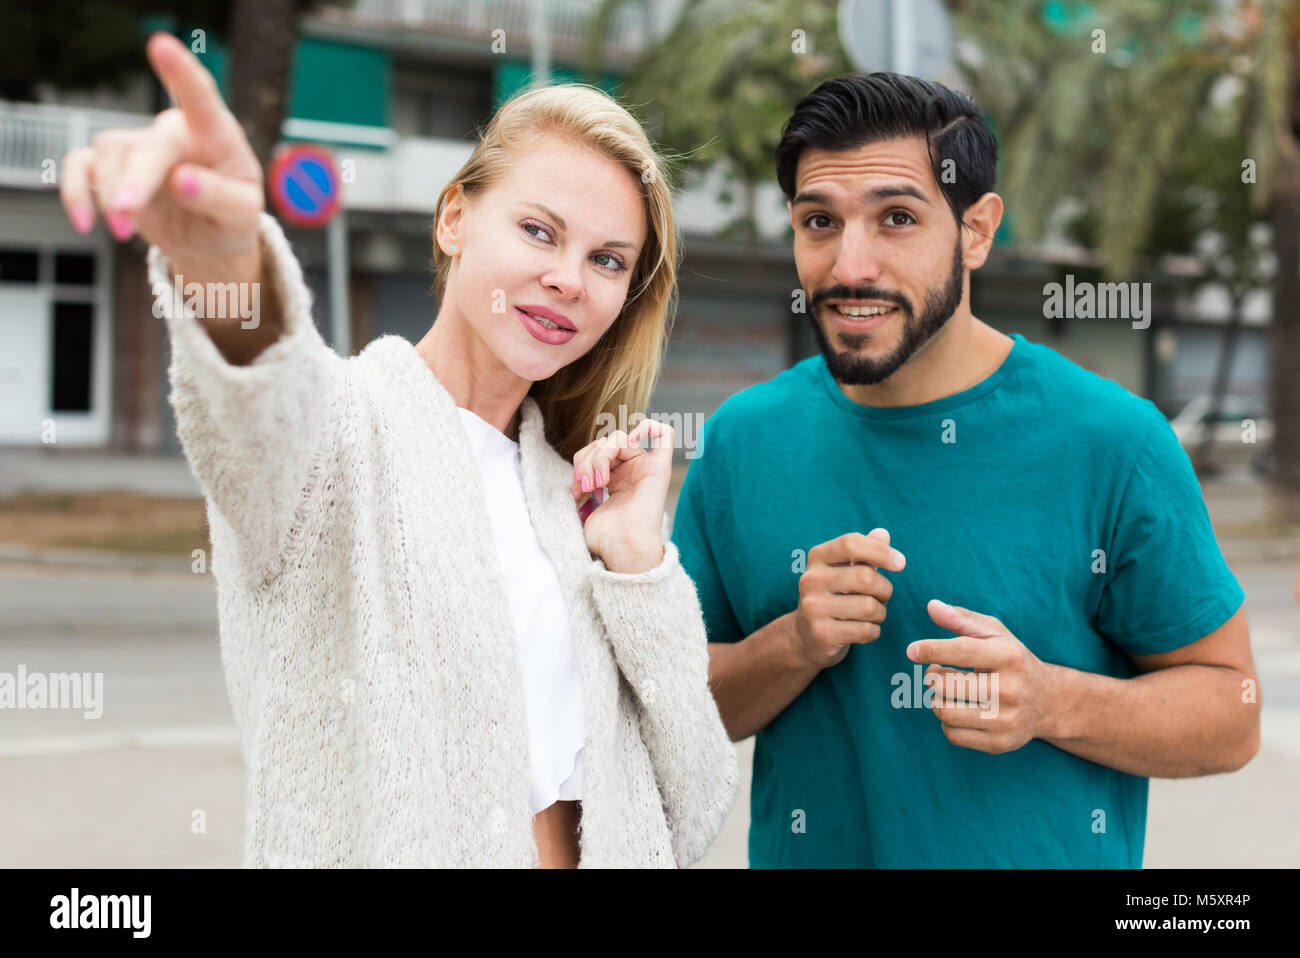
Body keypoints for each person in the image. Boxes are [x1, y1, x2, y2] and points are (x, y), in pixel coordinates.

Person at [59, 32, 737, 868]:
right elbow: (261, 395)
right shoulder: (340, 436)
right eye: (538, 230)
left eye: (606, 259)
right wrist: (221, 259)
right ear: (455, 217)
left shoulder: (575, 507)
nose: (570, 277)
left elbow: (698, 804)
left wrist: (638, 567)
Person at [672, 73, 1260, 868]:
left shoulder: (1115, 440)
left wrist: (1052, 702)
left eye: (898, 219)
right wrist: (793, 644)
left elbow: (1234, 713)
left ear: (977, 231)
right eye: (820, 221)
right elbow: (681, 711)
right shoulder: (742, 441)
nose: (851, 264)